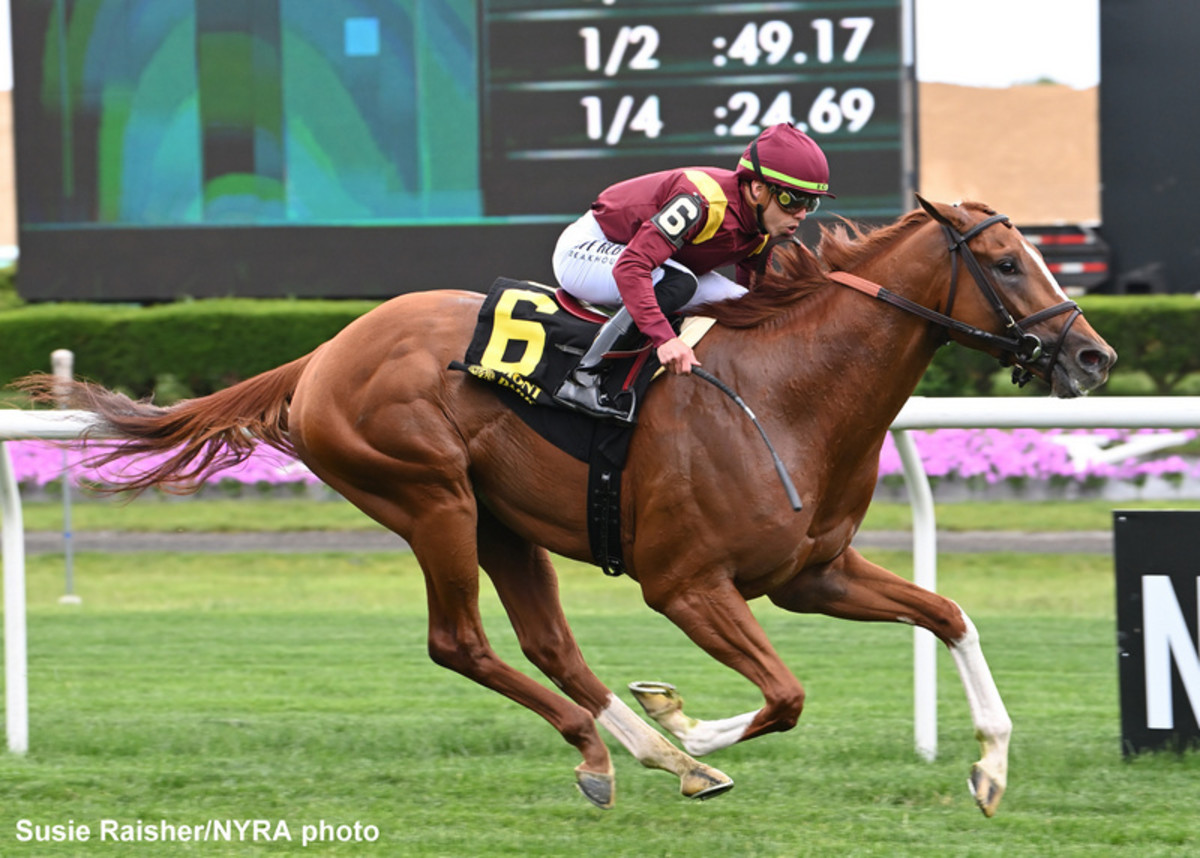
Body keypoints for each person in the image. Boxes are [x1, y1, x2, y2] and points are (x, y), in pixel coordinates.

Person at [551, 123, 835, 422]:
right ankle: (582, 377)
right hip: (589, 248)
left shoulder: (763, 228)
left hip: (654, 263)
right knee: (679, 282)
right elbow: (631, 267)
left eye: (810, 203)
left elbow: (752, 296)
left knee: (743, 306)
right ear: (757, 189)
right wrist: (665, 340)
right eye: (793, 200)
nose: (801, 214)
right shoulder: (700, 201)